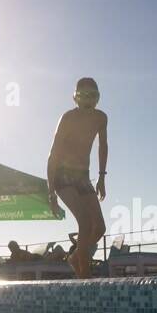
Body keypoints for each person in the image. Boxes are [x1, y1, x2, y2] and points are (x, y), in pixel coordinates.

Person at [46, 78, 108, 278]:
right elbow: (53, 153)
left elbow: (103, 146)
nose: (88, 101)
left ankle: (75, 257)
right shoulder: (68, 118)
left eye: (93, 96)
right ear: (76, 98)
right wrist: (51, 192)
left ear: (97, 98)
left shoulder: (101, 118)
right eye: (84, 96)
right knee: (84, 221)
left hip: (83, 176)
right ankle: (84, 273)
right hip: (62, 175)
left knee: (98, 228)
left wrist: (101, 177)